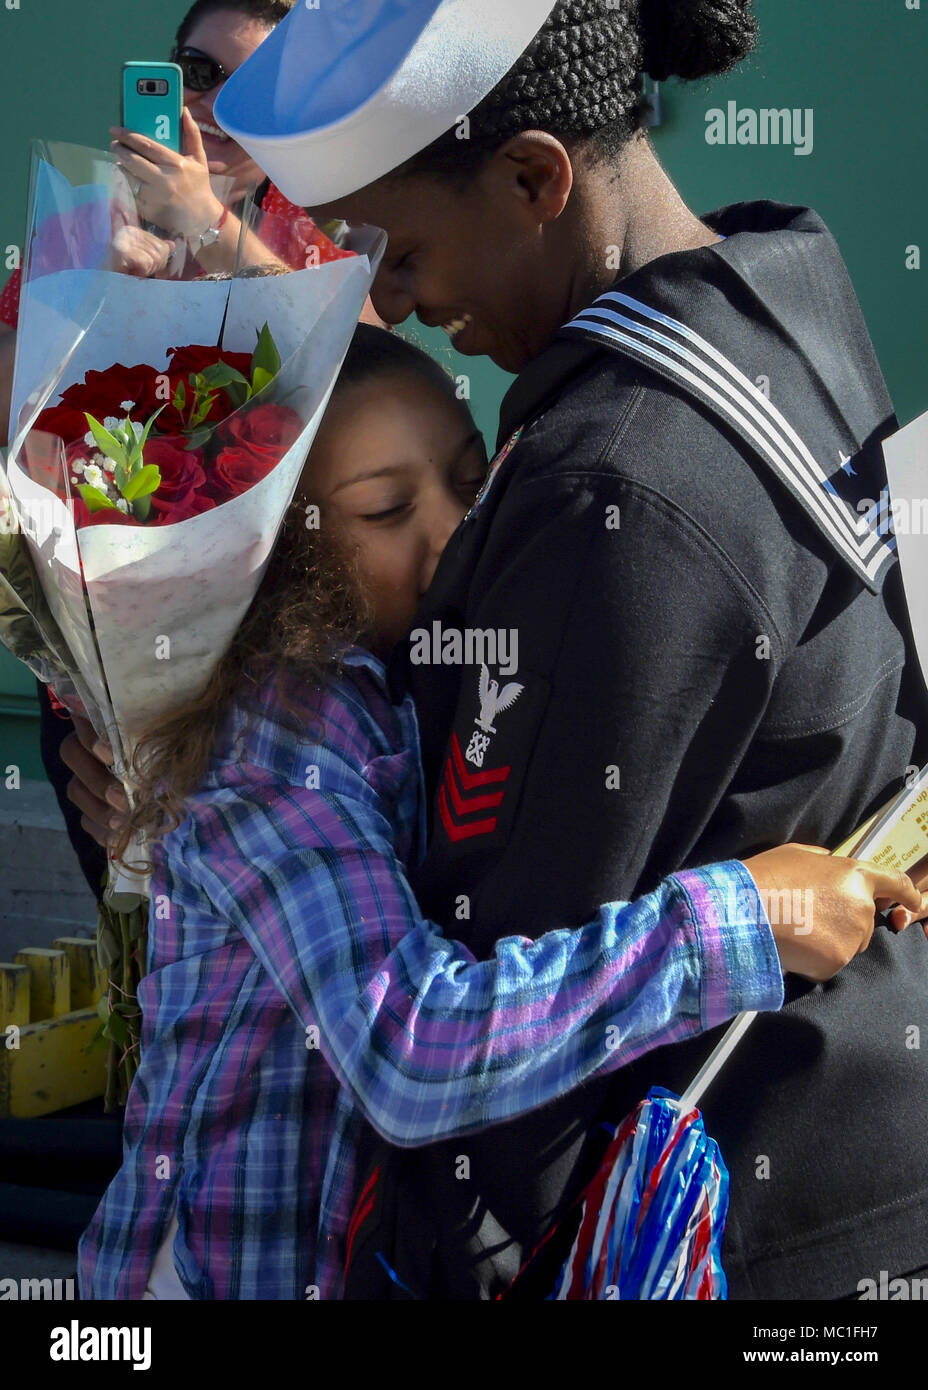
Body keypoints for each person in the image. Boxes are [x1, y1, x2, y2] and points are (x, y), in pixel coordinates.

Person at [206, 0, 928, 1300]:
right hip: (855, 1155)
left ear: (536, 177)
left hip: (694, 1229)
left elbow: (499, 1058)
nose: (389, 298)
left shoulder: (611, 484)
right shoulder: (780, 294)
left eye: (400, 249)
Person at [66, 323, 923, 1300]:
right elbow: (405, 1044)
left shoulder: (406, 678)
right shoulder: (282, 744)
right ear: (276, 554)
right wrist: (737, 924)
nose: (449, 533)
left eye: (472, 484)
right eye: (387, 509)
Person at [1, 0, 384, 910]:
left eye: (256, 90)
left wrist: (211, 229)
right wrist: (97, 290)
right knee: (138, 941)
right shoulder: (82, 217)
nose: (212, 105)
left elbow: (374, 382)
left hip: (275, 692)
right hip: (99, 689)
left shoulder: (322, 235)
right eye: (199, 72)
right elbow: (14, 419)